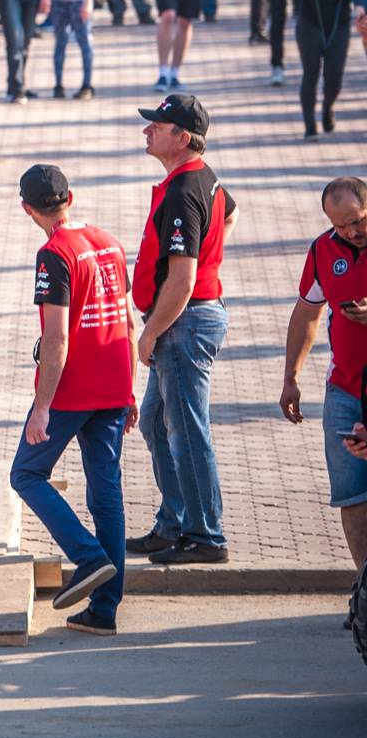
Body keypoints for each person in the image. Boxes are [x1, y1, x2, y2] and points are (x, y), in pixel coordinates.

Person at [11, 164, 137, 637]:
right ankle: (104, 611)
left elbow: (57, 337)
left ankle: (87, 557)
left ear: (27, 209)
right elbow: (127, 321)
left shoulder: (54, 254)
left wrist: (42, 406)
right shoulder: (109, 243)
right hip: (111, 386)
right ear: (72, 196)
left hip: (71, 390)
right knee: (107, 495)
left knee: (26, 473)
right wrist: (128, 389)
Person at [129, 94, 235, 566]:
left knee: (187, 430)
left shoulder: (183, 190)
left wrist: (150, 332)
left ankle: (205, 535)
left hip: (183, 322)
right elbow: (230, 211)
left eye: (158, 125)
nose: (148, 131)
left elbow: (183, 278)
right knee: (155, 421)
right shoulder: (200, 180)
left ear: (183, 137)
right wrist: (214, 257)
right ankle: (174, 522)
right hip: (190, 316)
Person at [283, 178, 367, 591]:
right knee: (351, 497)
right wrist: (291, 378)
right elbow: (307, 316)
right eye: (341, 226)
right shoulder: (322, 250)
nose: (352, 232)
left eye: (357, 221)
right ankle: (365, 590)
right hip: (345, 392)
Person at [286, 0, 362, 140]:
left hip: (339, 25)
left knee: (334, 76)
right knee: (311, 74)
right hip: (309, 24)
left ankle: (328, 107)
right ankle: (310, 125)